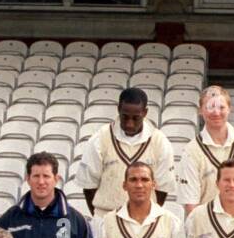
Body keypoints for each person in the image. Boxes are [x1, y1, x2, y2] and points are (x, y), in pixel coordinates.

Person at [71, 87, 176, 217]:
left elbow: (162, 188)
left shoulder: (160, 142)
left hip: (145, 219)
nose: (129, 124)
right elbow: (89, 185)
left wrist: (145, 213)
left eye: (135, 118)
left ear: (145, 113)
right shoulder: (100, 138)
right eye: (125, 117)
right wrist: (103, 218)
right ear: (118, 110)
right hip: (106, 215)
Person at [177, 84, 234, 215]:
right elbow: (191, 202)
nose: (216, 113)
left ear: (229, 109)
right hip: (207, 228)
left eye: (221, 107)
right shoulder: (191, 151)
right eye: (210, 107)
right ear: (200, 110)